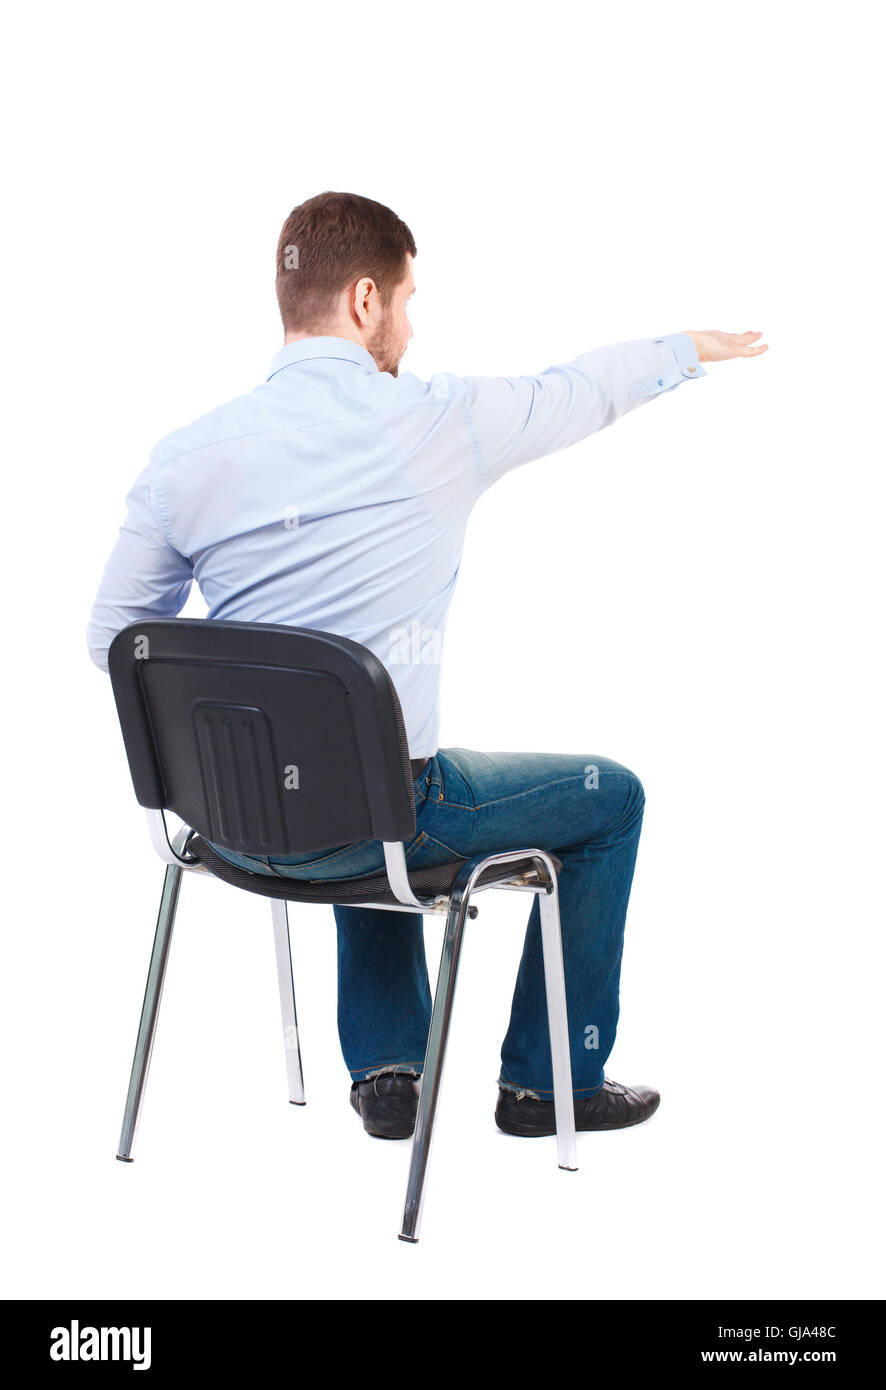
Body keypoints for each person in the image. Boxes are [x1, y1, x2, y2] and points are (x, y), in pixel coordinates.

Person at [88, 191, 767, 1141]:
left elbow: (115, 643)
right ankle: (550, 1084)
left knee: (345, 767)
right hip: (380, 826)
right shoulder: (443, 421)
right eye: (407, 300)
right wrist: (682, 348)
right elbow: (574, 391)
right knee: (606, 799)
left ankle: (388, 1067)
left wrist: (253, 680)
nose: (410, 327)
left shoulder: (183, 458)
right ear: (365, 299)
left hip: (223, 826)